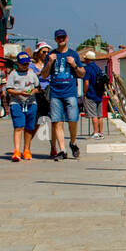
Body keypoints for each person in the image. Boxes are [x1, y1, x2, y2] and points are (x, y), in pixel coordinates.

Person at [42, 28, 84, 160]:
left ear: (67, 38)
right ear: (55, 39)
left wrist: (74, 65)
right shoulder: (51, 55)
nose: (61, 40)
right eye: (59, 38)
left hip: (70, 92)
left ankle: (73, 142)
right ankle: (62, 150)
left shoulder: (73, 54)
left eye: (63, 37)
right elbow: (44, 75)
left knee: (73, 120)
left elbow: (82, 73)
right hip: (55, 93)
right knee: (57, 122)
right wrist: (50, 62)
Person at [5, 53, 41, 161]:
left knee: (29, 128)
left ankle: (26, 150)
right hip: (17, 103)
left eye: (27, 64)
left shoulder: (32, 73)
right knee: (18, 126)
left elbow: (38, 87)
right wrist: (19, 93)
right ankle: (16, 150)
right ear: (18, 64)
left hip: (31, 103)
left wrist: (32, 92)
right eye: (23, 64)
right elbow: (8, 89)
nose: (25, 66)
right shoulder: (13, 74)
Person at [81, 49, 106, 139]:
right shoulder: (98, 68)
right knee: (100, 115)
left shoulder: (87, 69)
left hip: (91, 94)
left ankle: (95, 133)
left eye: (85, 58)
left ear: (88, 59)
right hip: (99, 94)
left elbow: (86, 82)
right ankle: (101, 132)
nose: (84, 60)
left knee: (93, 115)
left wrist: (84, 92)